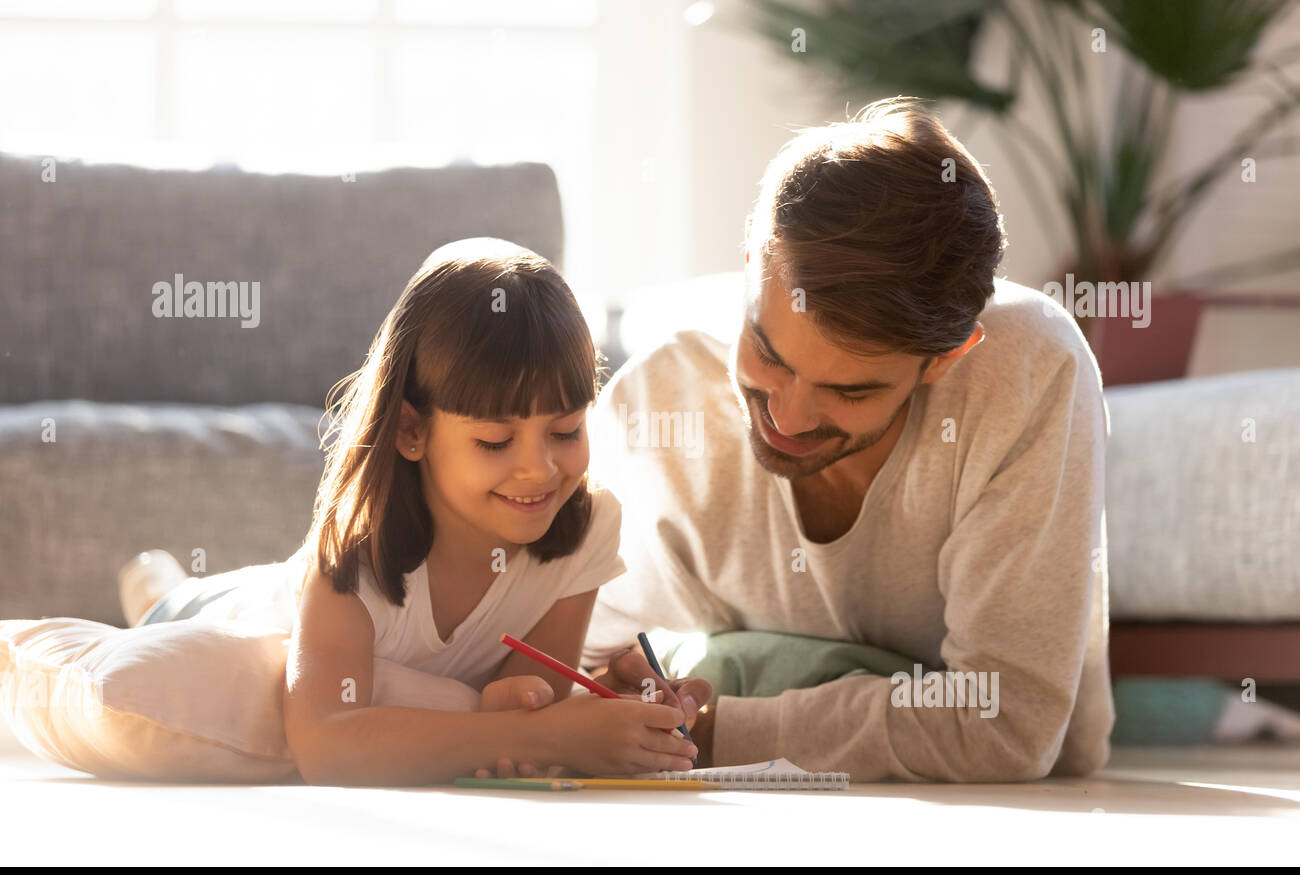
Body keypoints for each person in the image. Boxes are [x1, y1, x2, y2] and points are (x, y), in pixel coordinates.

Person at [580, 97, 1115, 782]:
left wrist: (710, 732)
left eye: (851, 391)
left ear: (946, 359)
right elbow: (568, 669)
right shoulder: (661, 400)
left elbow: (1006, 726)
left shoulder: (1028, 372)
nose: (790, 417)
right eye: (769, 352)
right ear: (750, 262)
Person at [126, 238, 706, 786]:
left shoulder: (586, 527)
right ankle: (155, 586)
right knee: (172, 604)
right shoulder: (354, 558)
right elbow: (326, 740)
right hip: (232, 607)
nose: (540, 470)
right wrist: (554, 735)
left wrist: (611, 710)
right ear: (411, 430)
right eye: (495, 442)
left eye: (566, 430)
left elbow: (523, 703)